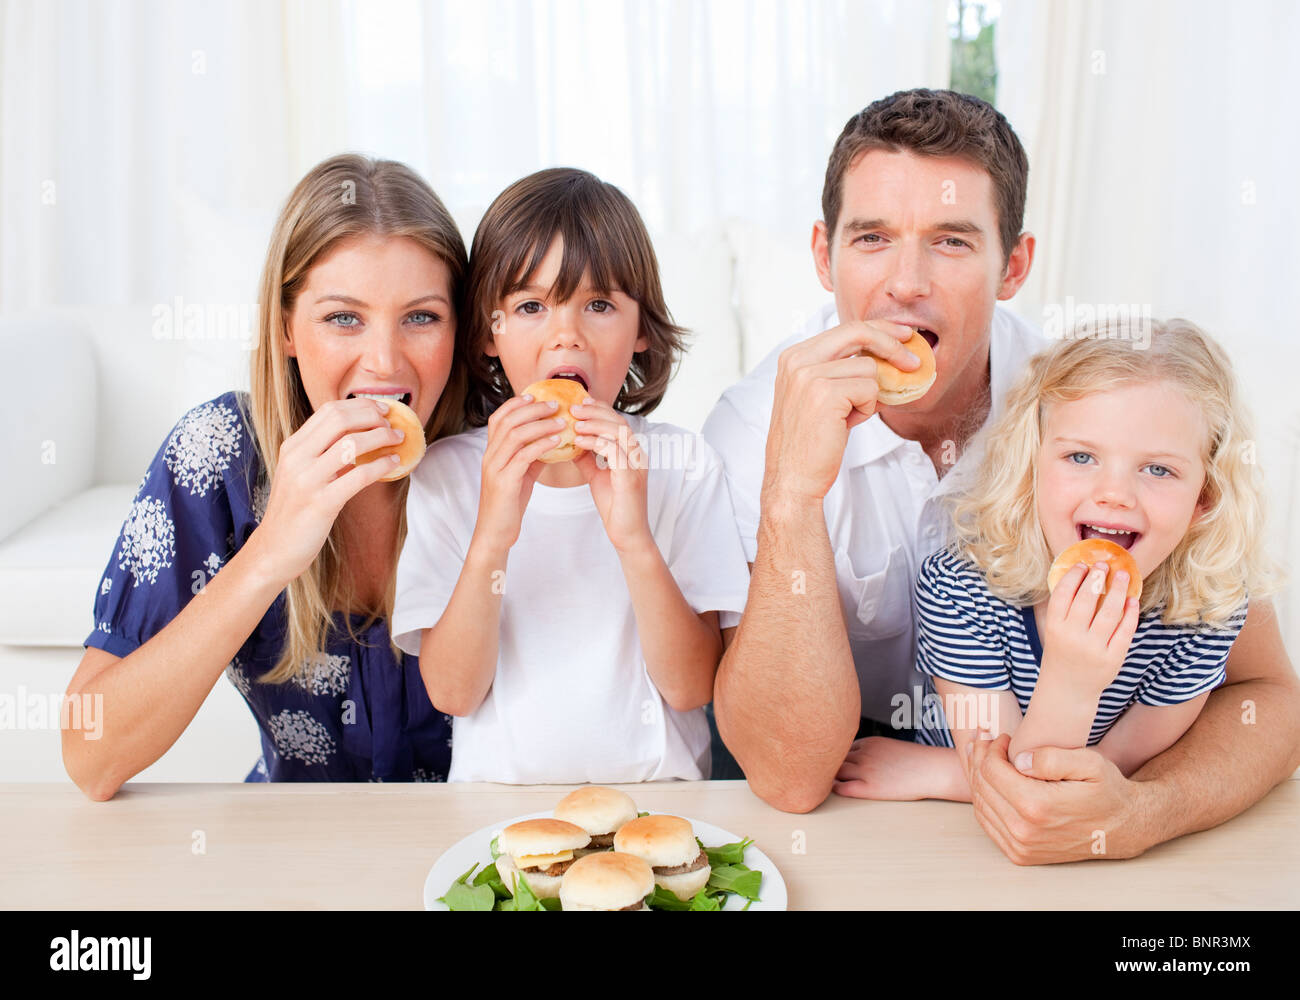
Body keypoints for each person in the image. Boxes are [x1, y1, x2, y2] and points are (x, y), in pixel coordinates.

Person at [702, 88, 1300, 863]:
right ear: (824, 255)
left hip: (1033, 762)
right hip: (837, 768)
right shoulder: (751, 430)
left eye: (951, 241)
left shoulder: (1094, 413)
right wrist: (790, 493)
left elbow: (1270, 697)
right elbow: (790, 778)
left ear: (1012, 264)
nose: (906, 283)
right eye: (873, 237)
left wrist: (1142, 812)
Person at [64, 154, 468, 796]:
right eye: (343, 318)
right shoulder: (218, 455)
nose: (385, 362)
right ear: (285, 328)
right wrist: (268, 555)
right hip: (286, 845)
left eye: (421, 317)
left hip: (478, 857)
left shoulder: (497, 454)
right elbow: (91, 757)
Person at [391, 168, 750, 784]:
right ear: (487, 334)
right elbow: (452, 693)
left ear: (641, 330)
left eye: (600, 305)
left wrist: (633, 538)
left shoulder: (685, 468)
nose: (567, 334)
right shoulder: (447, 477)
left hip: (659, 810)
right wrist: (493, 534)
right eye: (531, 306)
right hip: (499, 823)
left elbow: (693, 689)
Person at [833, 320, 1276, 800]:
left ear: (1203, 498)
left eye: (1158, 469)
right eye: (1082, 457)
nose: (1114, 495)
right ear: (1032, 467)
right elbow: (1019, 792)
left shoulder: (1206, 614)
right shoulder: (960, 587)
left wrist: (941, 775)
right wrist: (1067, 678)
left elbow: (1085, 786)